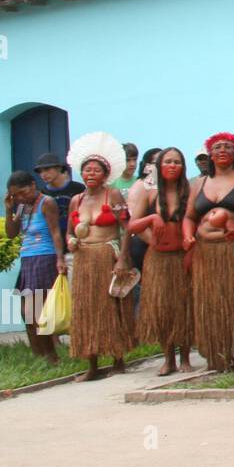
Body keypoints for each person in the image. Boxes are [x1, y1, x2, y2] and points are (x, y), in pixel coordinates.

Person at [64, 133, 137, 380]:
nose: (91, 174)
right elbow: (68, 231)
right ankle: (92, 364)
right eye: (87, 170)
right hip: (84, 259)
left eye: (96, 170)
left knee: (110, 307)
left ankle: (118, 359)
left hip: (107, 255)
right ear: (81, 173)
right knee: (86, 309)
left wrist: (123, 258)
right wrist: (71, 241)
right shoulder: (76, 200)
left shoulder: (113, 196)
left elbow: (127, 227)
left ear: (105, 174)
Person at [127, 147, 194, 375]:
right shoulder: (150, 192)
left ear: (183, 166)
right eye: (167, 162)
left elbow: (194, 220)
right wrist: (152, 218)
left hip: (182, 256)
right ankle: (168, 359)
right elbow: (132, 225)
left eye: (177, 162)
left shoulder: (189, 191)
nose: (172, 166)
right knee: (163, 307)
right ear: (158, 166)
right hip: (158, 259)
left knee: (183, 306)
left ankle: (185, 357)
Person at [184, 132, 234, 372]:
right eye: (217, 147)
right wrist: (188, 235)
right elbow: (190, 217)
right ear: (210, 154)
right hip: (206, 252)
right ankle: (217, 353)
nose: (222, 150)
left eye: (228, 147)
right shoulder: (199, 183)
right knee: (210, 302)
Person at [2, 171, 63, 364]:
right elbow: (11, 233)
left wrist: (60, 259)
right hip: (27, 260)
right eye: (15, 195)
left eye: (23, 192)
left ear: (33, 185)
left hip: (45, 258)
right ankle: (39, 356)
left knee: (38, 312)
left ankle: (52, 356)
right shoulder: (21, 207)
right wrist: (9, 210)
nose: (20, 197)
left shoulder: (47, 202)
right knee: (26, 313)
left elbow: (55, 232)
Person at [122, 148, 160, 314]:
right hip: (145, 244)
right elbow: (134, 222)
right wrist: (155, 244)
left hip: (162, 245)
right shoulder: (141, 186)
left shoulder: (165, 185)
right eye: (155, 162)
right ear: (146, 165)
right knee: (146, 290)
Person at [34, 152, 84, 248]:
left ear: (59, 168)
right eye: (40, 172)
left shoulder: (77, 188)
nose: (43, 174)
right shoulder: (43, 194)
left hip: (76, 239)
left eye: (47, 169)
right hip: (53, 243)